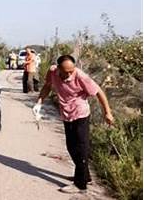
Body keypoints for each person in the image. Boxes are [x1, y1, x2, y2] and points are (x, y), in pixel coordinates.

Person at [33, 55, 114, 194]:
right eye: (66, 72)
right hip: (66, 114)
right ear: (58, 69)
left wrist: (107, 112)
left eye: (72, 71)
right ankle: (85, 176)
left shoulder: (80, 76)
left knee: (81, 148)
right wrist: (39, 101)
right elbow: (47, 86)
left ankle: (80, 184)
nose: (69, 74)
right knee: (71, 147)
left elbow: (99, 92)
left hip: (81, 113)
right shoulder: (52, 72)